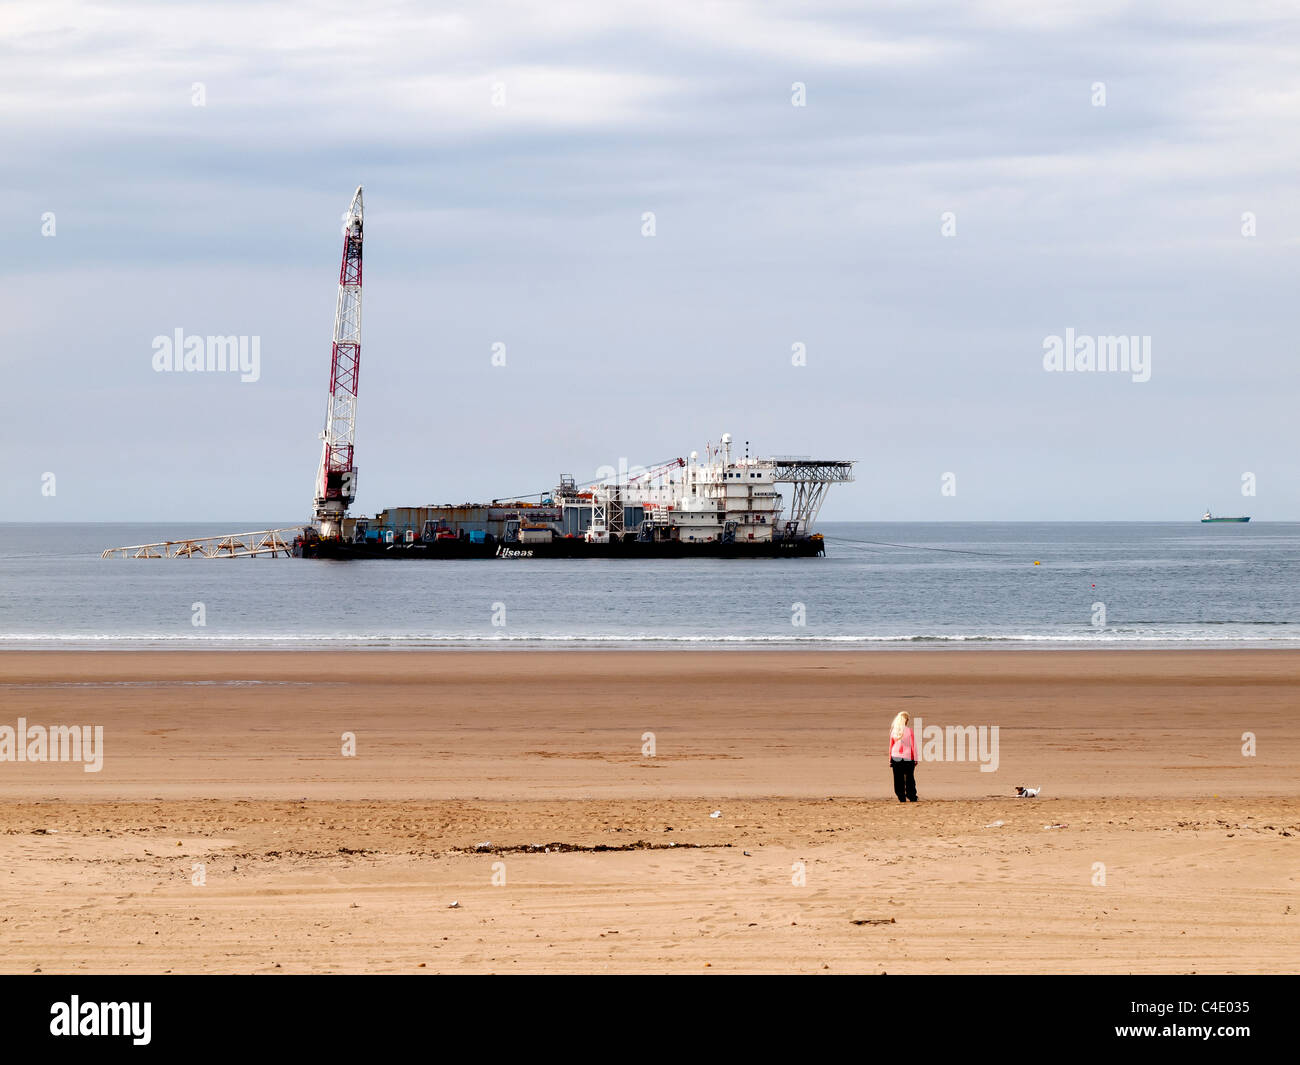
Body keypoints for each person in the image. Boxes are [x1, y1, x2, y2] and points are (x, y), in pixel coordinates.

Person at [888, 711, 918, 803]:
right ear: (906, 720)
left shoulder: (894, 731)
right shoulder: (909, 730)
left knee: (898, 778)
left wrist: (890, 759)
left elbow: (891, 746)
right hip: (908, 757)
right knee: (910, 778)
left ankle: (901, 797)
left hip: (895, 756)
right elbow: (913, 746)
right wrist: (916, 758)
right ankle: (911, 796)